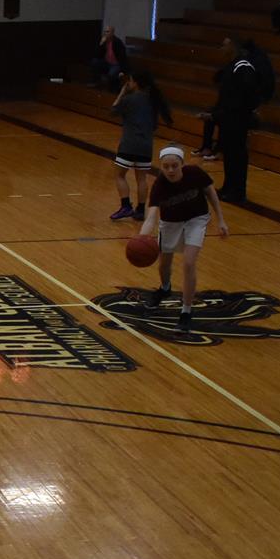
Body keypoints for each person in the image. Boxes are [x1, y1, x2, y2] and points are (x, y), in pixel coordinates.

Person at [136, 146, 228, 335]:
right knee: (164, 265)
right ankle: (165, 288)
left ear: (182, 165)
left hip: (197, 219)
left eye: (174, 166)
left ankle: (186, 312)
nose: (170, 170)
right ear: (161, 166)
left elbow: (211, 193)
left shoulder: (195, 173)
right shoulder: (160, 185)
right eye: (166, 166)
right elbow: (152, 216)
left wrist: (221, 219)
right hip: (170, 223)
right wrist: (142, 237)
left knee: (188, 263)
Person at [110, 68, 171, 221]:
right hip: (146, 145)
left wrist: (122, 92)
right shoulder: (153, 101)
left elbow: (113, 111)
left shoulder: (129, 99)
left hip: (129, 143)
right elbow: (154, 125)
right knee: (142, 178)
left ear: (135, 83)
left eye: (129, 81)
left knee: (119, 175)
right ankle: (140, 210)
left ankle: (126, 206)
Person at [210, 37, 263, 203]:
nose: (221, 49)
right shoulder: (230, 67)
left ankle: (238, 191)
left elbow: (248, 94)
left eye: (224, 45)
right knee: (229, 153)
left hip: (238, 119)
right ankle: (228, 186)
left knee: (237, 155)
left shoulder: (243, 67)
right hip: (228, 118)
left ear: (233, 46)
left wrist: (240, 112)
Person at [88, 24, 128, 91]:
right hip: (107, 62)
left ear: (112, 33)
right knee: (94, 62)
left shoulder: (117, 42)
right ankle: (95, 82)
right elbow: (97, 55)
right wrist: (101, 44)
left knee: (112, 74)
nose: (105, 33)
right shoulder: (104, 41)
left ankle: (112, 89)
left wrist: (123, 70)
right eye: (105, 31)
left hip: (116, 64)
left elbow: (123, 57)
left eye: (107, 31)